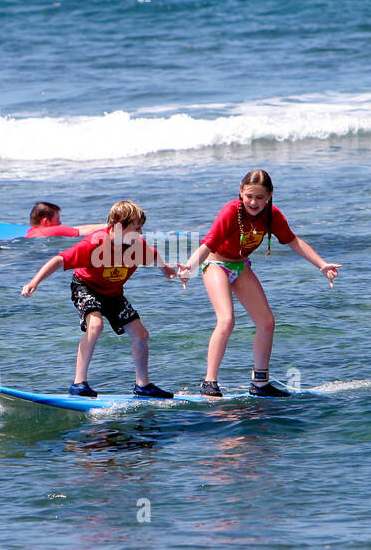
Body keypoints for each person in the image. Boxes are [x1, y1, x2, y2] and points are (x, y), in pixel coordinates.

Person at [178, 169, 340, 397]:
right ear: (241, 192)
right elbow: (208, 243)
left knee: (267, 322)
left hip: (240, 265)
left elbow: (294, 242)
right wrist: (189, 267)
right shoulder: (230, 213)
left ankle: (260, 383)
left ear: (270, 195)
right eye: (249, 196)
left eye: (260, 197)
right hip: (216, 264)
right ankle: (209, 382)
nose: (254, 202)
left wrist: (321, 264)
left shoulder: (273, 215)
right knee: (226, 319)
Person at [21, 201, 179, 397]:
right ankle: (79, 383)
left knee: (141, 335)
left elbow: (156, 258)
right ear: (119, 226)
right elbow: (59, 260)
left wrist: (170, 271)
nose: (140, 233)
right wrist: (34, 282)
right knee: (95, 326)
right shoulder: (95, 244)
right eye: (136, 228)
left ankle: (143, 385)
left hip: (113, 293)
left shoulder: (136, 246)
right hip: (86, 287)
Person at [25, 202, 104, 238]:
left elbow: (74, 229)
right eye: (57, 220)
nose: (60, 223)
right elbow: (90, 231)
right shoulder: (54, 230)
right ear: (46, 221)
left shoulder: (31, 232)